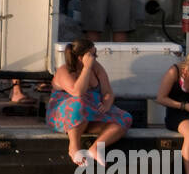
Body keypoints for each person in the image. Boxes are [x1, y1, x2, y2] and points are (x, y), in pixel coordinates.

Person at [46, 38, 132, 166]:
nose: (95, 57)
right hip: (66, 116)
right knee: (79, 103)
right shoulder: (64, 71)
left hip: (92, 113)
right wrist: (86, 68)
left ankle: (96, 148)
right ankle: (74, 147)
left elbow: (108, 92)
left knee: (125, 118)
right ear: (81, 58)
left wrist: (107, 104)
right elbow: (77, 92)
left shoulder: (96, 68)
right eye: (92, 54)